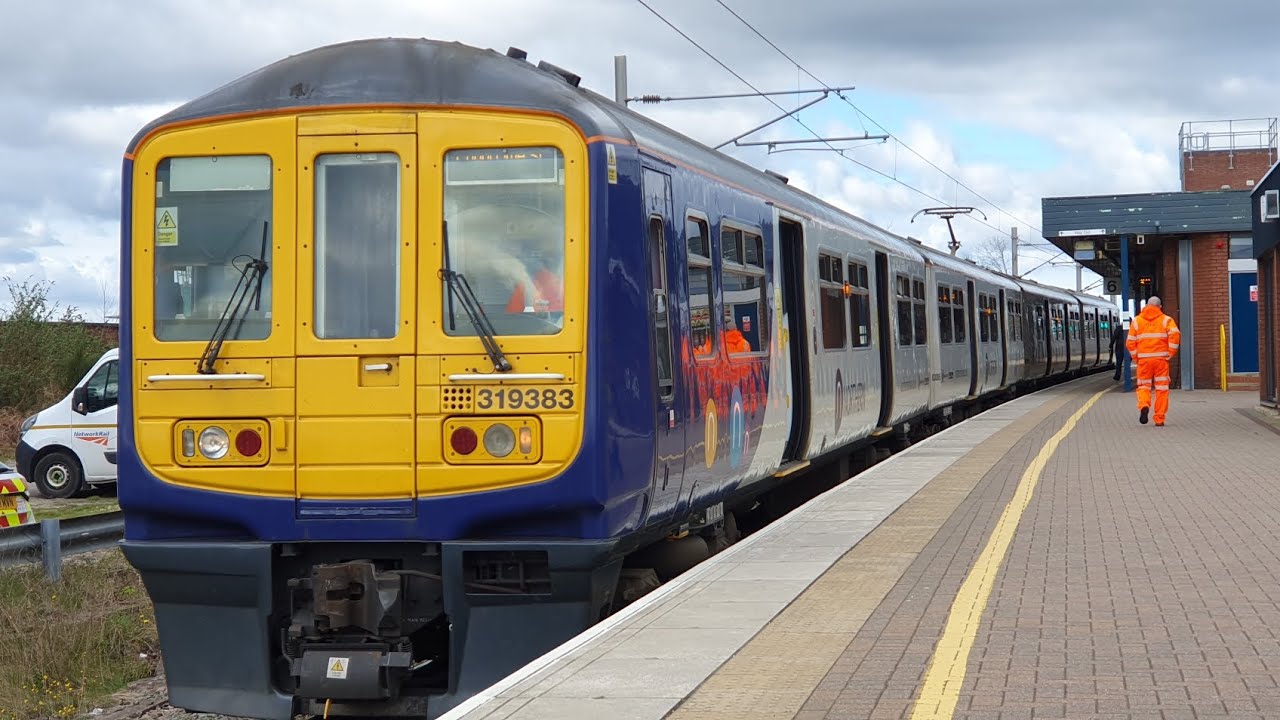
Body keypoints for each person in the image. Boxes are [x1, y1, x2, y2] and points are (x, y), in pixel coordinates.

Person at [1125, 296, 1181, 426]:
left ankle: (1144, 405)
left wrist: (1136, 357)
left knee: (1143, 386)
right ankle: (1159, 418)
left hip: (1144, 361)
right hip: (1161, 360)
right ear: (1160, 306)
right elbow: (1175, 335)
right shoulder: (1166, 320)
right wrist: (1170, 353)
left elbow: (1130, 343)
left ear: (1146, 306)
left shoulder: (1137, 321)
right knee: (1162, 389)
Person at [1110, 315, 1128, 381]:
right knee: (1127, 363)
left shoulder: (1118, 329)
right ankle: (1127, 377)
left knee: (1119, 363)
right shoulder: (1130, 329)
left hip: (1119, 348)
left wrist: (1110, 346)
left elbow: (1114, 337)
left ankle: (1117, 376)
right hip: (1127, 348)